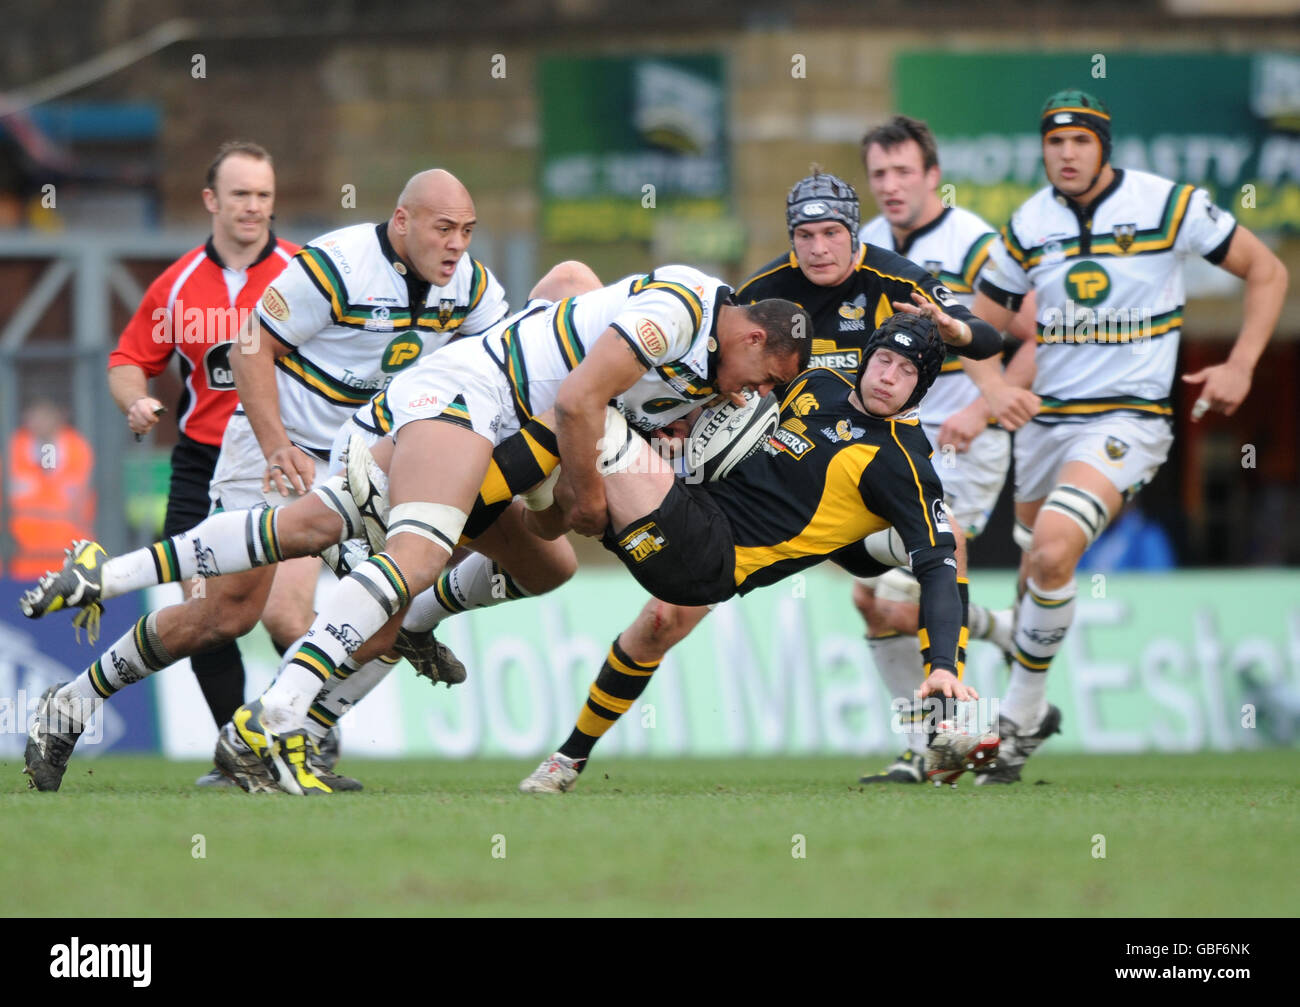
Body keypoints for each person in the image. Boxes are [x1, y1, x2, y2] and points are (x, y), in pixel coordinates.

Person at [21, 263, 810, 794]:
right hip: (432, 411)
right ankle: (277, 713)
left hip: (482, 434)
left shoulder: (685, 350)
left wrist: (586, 474)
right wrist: (588, 488)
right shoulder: (346, 265)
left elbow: (569, 288)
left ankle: (110, 639)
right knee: (290, 588)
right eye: (761, 380)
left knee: (545, 569)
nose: (748, 397)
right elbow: (575, 399)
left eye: (464, 234)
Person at [19, 169, 578, 792]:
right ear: (402, 221)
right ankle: (73, 700)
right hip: (278, 446)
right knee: (223, 616)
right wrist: (276, 444)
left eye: (467, 232)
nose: (456, 245)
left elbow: (495, 367)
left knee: (384, 621)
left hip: (367, 455)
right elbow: (250, 347)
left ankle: (272, 735)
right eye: (443, 229)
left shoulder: (473, 288)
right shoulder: (337, 264)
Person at [519, 169, 1009, 793]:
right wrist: (683, 425)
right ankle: (569, 756)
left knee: (942, 549)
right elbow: (711, 374)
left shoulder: (899, 287)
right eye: (805, 235)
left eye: (832, 233)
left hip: (850, 513)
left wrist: (958, 331)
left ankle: (942, 711)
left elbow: (990, 337)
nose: (819, 248)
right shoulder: (773, 309)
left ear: (855, 235)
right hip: (742, 503)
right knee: (659, 623)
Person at [968, 89, 1287, 782]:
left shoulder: (1166, 204)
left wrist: (1241, 363)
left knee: (1053, 551)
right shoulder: (1029, 223)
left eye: (1081, 141)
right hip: (1046, 424)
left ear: (1104, 147)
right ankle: (1016, 661)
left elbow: (1267, 270)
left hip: (1127, 421)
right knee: (1036, 576)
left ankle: (1019, 715)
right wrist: (992, 387)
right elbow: (979, 322)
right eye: (1056, 142)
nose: (1068, 153)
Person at [852, 116, 1041, 784]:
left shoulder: (975, 243)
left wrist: (983, 407)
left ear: (934, 176)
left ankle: (940, 737)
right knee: (873, 602)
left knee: (942, 546)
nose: (891, 185)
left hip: (966, 433)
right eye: (879, 174)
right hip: (896, 439)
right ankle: (1005, 633)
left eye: (904, 172)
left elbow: (1036, 330)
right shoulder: (866, 245)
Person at [106, 140, 298, 785]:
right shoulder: (180, 282)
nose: (253, 208)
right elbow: (129, 359)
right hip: (200, 465)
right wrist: (136, 403)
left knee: (286, 616)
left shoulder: (306, 274)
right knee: (202, 617)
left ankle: (309, 740)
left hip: (281, 466)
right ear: (212, 200)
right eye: (241, 194)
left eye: (264, 196)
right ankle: (237, 757)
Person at [4, 399, 95, 580]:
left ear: (59, 416)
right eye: (34, 414)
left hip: (69, 564)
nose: (39, 421)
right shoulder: (12, 451)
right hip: (20, 565)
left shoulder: (79, 450)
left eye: (45, 414)